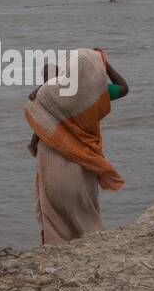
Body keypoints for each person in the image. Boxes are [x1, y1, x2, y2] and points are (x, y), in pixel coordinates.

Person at [26, 48, 127, 243]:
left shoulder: (46, 96)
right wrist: (105, 65)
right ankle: (88, 237)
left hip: (52, 152)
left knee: (54, 202)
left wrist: (43, 86)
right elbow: (123, 87)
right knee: (84, 202)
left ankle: (57, 240)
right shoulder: (94, 92)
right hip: (84, 155)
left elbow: (38, 116)